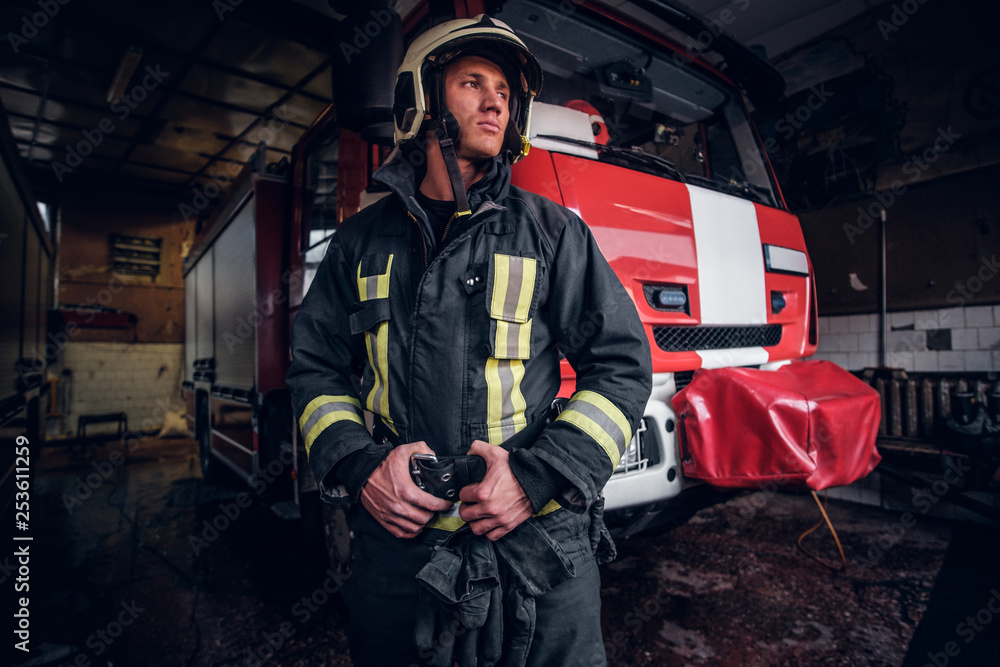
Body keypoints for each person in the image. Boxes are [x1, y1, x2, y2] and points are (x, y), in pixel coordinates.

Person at [286, 14, 652, 667]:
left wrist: (538, 477)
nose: (494, 102)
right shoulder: (357, 245)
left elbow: (620, 366)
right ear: (421, 99)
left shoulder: (553, 233)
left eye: (505, 93)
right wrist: (361, 467)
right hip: (399, 561)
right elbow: (315, 369)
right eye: (471, 83)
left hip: (538, 555)